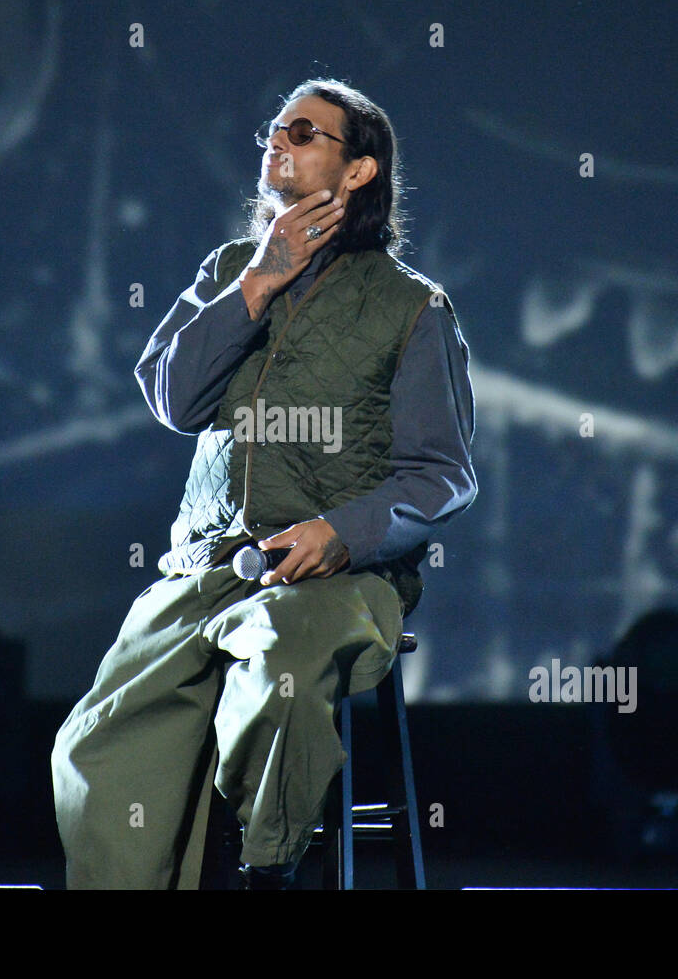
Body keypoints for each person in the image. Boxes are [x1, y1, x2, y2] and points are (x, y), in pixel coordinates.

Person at [51, 78, 478, 889]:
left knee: (280, 666)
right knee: (94, 746)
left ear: (358, 171)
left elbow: (442, 475)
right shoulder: (227, 271)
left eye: (305, 131)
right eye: (274, 130)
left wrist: (340, 533)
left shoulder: (411, 307)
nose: (277, 142)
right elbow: (174, 400)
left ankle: (265, 872)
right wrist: (259, 281)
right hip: (206, 574)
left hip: (334, 578)